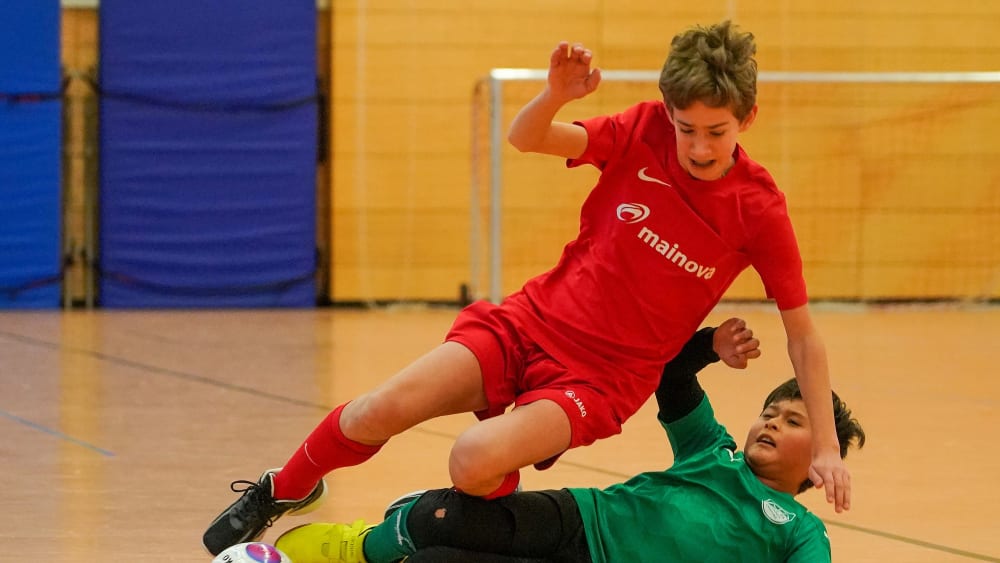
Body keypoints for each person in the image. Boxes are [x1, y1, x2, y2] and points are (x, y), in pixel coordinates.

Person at [202, 19, 849, 556]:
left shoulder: (758, 209)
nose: (699, 148)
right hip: (530, 322)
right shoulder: (643, 129)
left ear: (748, 117)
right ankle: (283, 487)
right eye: (687, 128)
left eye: (717, 131)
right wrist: (556, 95)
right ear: (668, 111)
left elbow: (804, 336)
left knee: (471, 460)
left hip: (602, 379)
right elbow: (527, 136)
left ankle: (466, 498)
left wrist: (826, 447)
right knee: (379, 410)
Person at [273, 323, 866, 563]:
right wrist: (711, 343)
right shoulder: (712, 451)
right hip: (579, 517)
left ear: (821, 460)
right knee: (437, 516)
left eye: (792, 421)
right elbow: (671, 376)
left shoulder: (798, 531)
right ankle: (361, 547)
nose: (769, 423)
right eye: (769, 411)